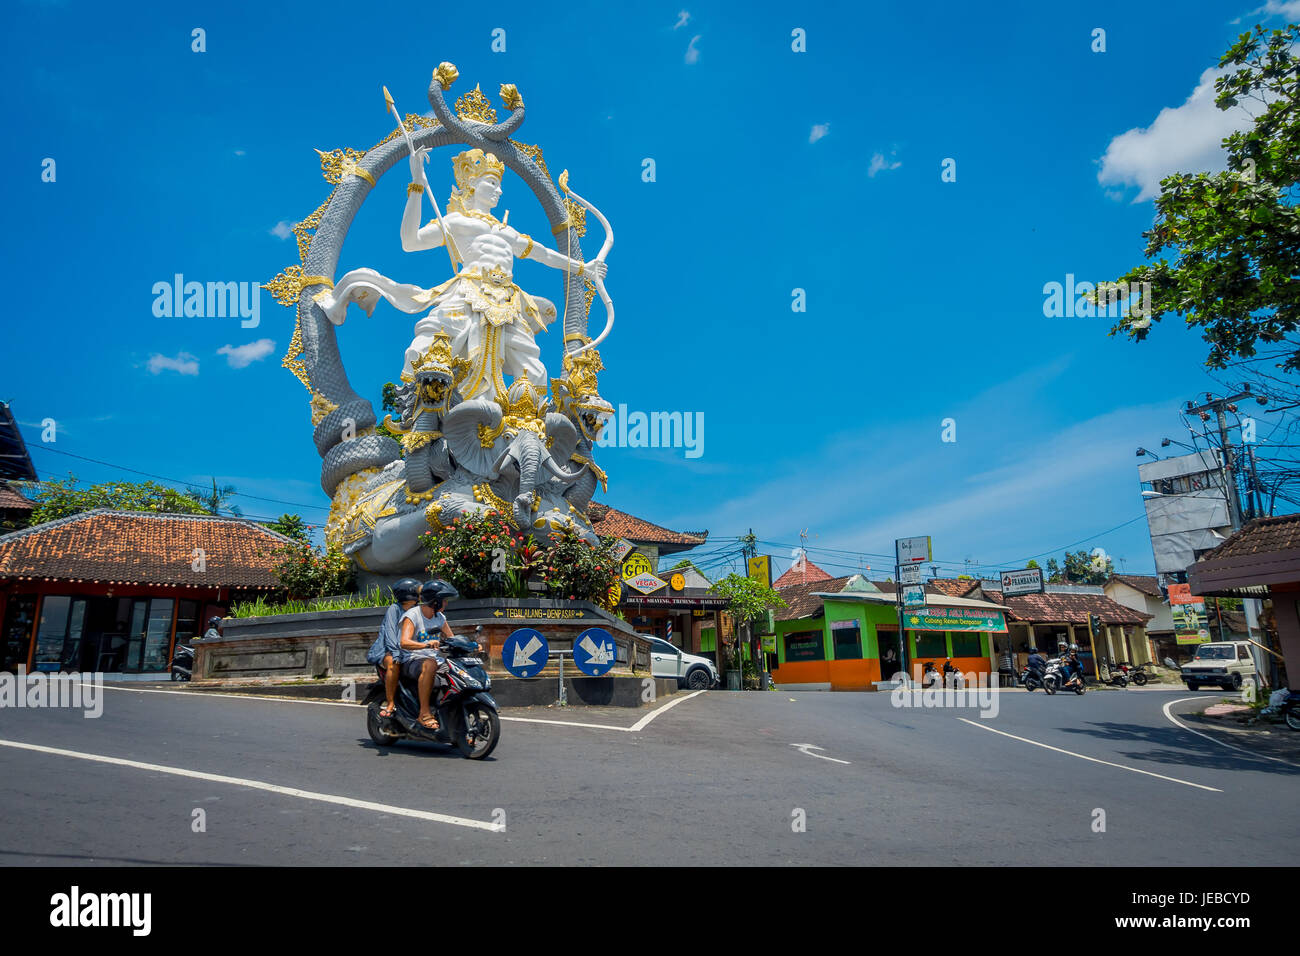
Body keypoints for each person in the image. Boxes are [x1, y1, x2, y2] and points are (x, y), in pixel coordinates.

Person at [398, 579, 457, 731]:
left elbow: (452, 638)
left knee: (457, 672)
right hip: (411, 660)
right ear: (435, 601)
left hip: (434, 660)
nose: (446, 603)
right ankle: (424, 713)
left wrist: (472, 644)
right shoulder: (413, 615)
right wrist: (425, 645)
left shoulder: (440, 617)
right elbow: (404, 642)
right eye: (444, 600)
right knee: (430, 663)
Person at [366, 578, 421, 719]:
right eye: (418, 592)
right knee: (393, 663)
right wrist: (397, 653)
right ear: (409, 594)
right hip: (388, 650)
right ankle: (390, 703)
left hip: (411, 650)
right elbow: (390, 635)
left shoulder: (419, 610)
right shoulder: (394, 609)